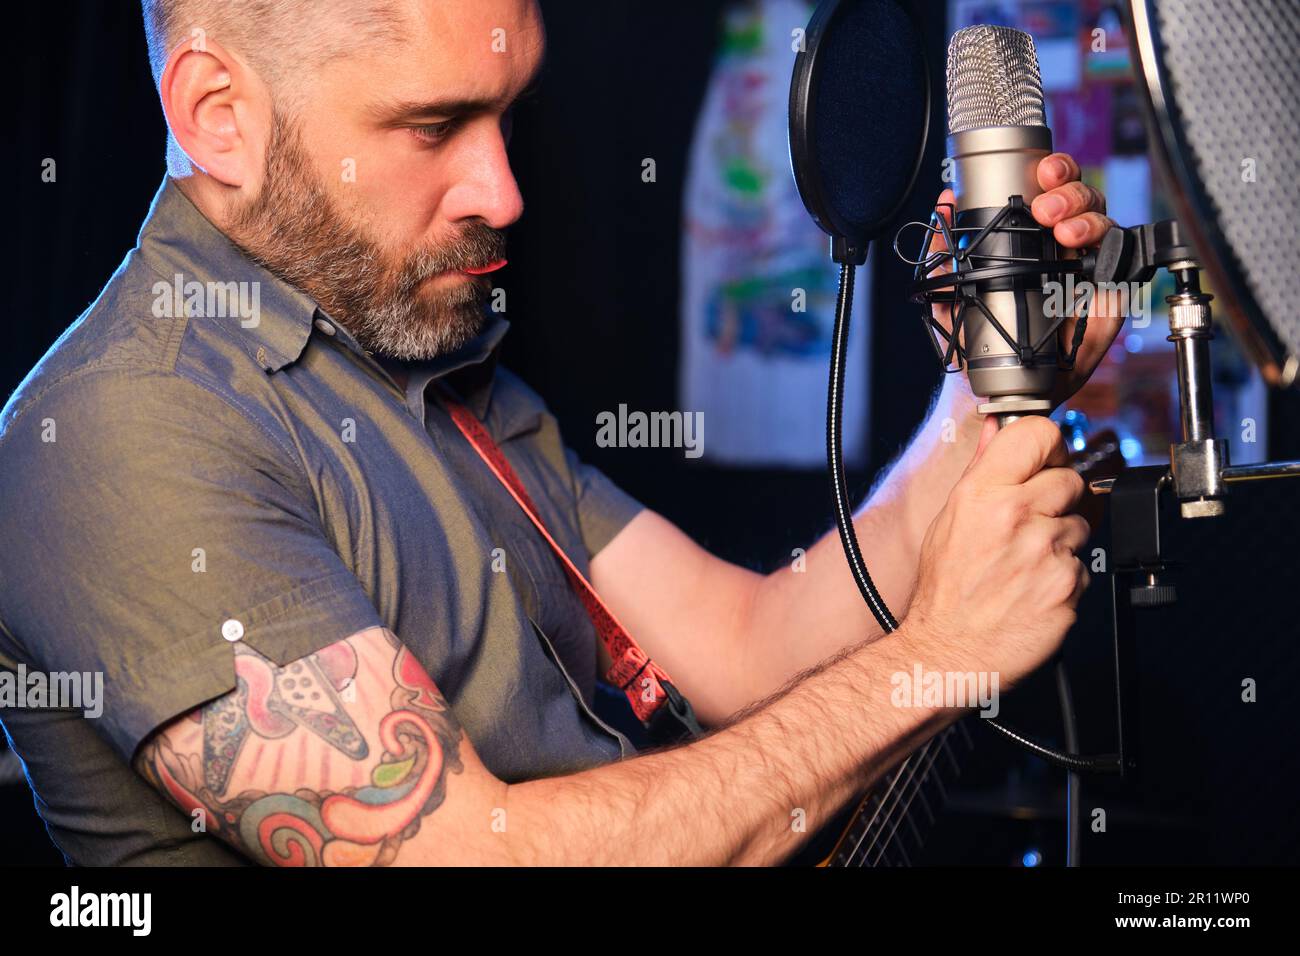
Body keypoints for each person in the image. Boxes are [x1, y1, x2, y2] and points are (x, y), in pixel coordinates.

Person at [0, 0, 1119, 865]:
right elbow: (476, 854)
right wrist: (936, 662)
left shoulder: (421, 352)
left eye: (505, 115)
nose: (502, 186)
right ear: (218, 115)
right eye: (434, 125)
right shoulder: (118, 430)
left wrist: (989, 383)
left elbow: (750, 643)